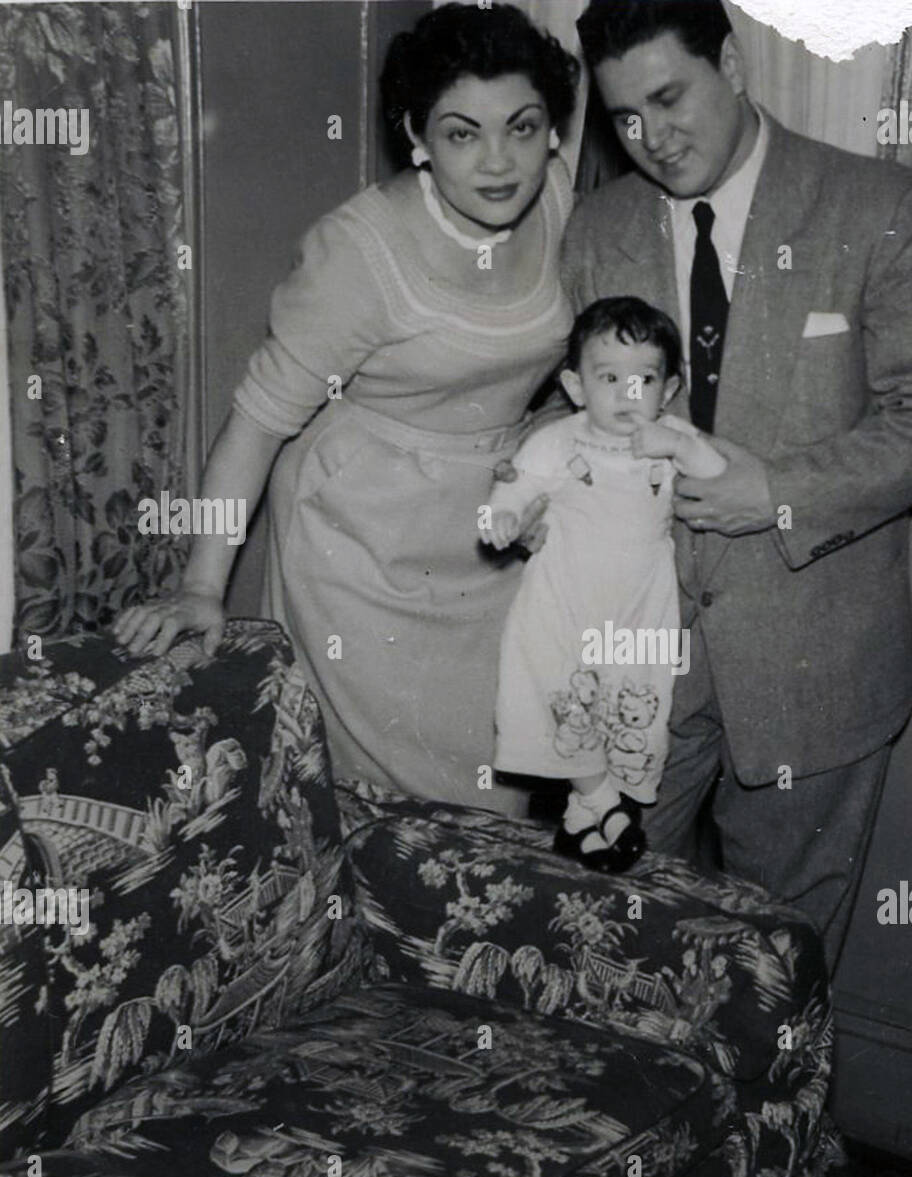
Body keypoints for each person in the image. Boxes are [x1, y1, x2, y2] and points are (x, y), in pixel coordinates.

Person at [565, 0, 912, 974]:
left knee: (777, 973)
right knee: (602, 941)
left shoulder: (885, 206)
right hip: (635, 660)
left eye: (669, 99)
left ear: (731, 62)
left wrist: (780, 493)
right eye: (624, 117)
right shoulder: (595, 228)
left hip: (815, 664)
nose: (652, 138)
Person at [113, 3, 579, 816]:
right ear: (417, 135)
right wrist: (201, 586)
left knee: (498, 783)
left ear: (553, 132)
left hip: (491, 540)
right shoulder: (358, 253)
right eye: (462, 133)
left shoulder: (557, 198)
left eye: (523, 126)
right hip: (362, 545)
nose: (499, 161)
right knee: (384, 804)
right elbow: (256, 423)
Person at [484, 295, 725, 872]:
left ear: (668, 389)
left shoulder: (669, 436)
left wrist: (682, 444)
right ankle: (601, 800)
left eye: (646, 379)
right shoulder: (558, 441)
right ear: (575, 385)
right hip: (564, 597)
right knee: (562, 697)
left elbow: (717, 475)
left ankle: (577, 823)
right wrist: (502, 517)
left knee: (628, 704)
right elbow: (515, 490)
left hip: (641, 603)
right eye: (609, 378)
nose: (628, 393)